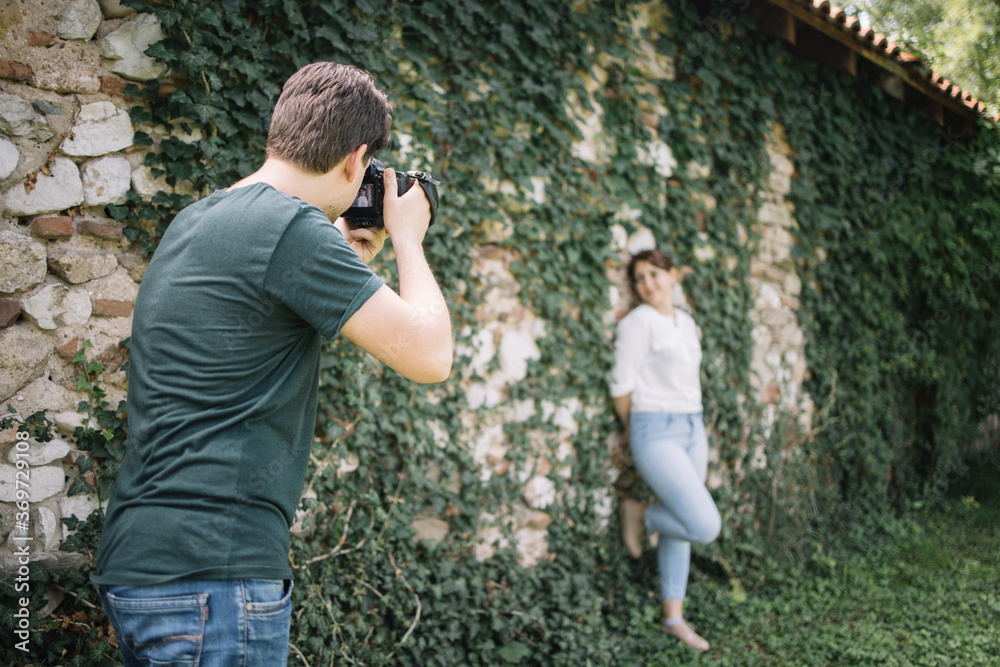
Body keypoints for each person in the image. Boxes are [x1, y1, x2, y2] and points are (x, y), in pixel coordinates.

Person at [91, 62, 453, 666]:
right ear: (354, 158)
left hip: (139, 563)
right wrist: (408, 236)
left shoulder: (200, 218)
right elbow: (430, 356)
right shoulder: (291, 230)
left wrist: (356, 243)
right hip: (215, 575)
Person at [610, 248, 721, 652]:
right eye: (640, 278)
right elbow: (621, 386)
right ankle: (638, 513)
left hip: (692, 426)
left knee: (684, 525)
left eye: (655, 274)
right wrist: (631, 430)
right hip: (654, 429)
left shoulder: (686, 324)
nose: (648, 284)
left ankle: (673, 618)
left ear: (674, 276)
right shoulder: (637, 324)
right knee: (705, 525)